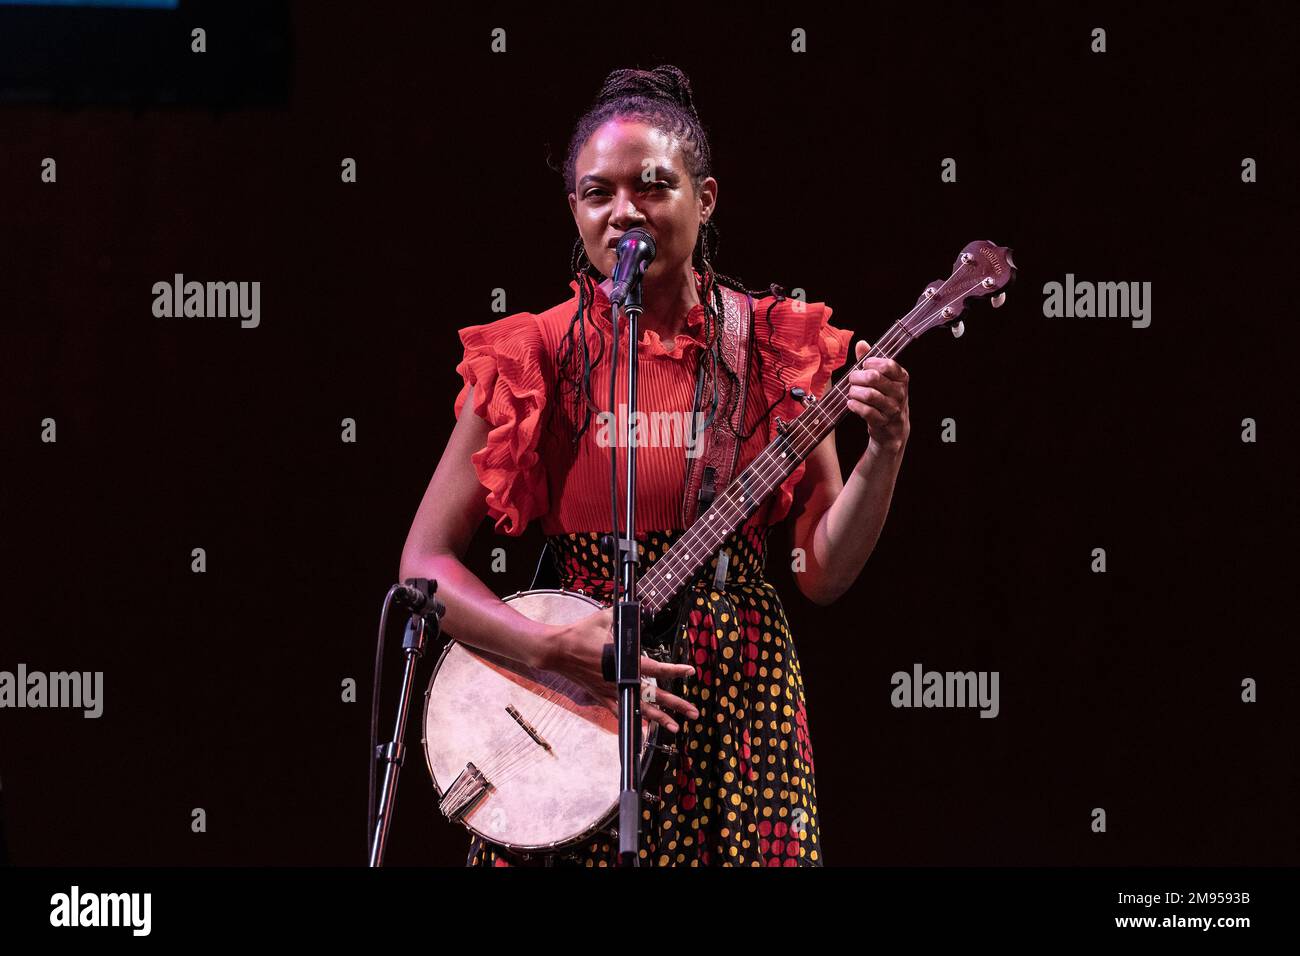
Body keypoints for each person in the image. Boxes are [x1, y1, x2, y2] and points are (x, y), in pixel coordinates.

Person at [400, 65, 910, 867]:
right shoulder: (535, 353)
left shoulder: (776, 351)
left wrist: (886, 452)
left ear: (705, 199)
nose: (624, 211)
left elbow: (821, 573)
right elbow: (424, 567)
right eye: (596, 192)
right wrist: (550, 648)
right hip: (570, 703)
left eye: (653, 185)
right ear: (573, 207)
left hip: (736, 702)